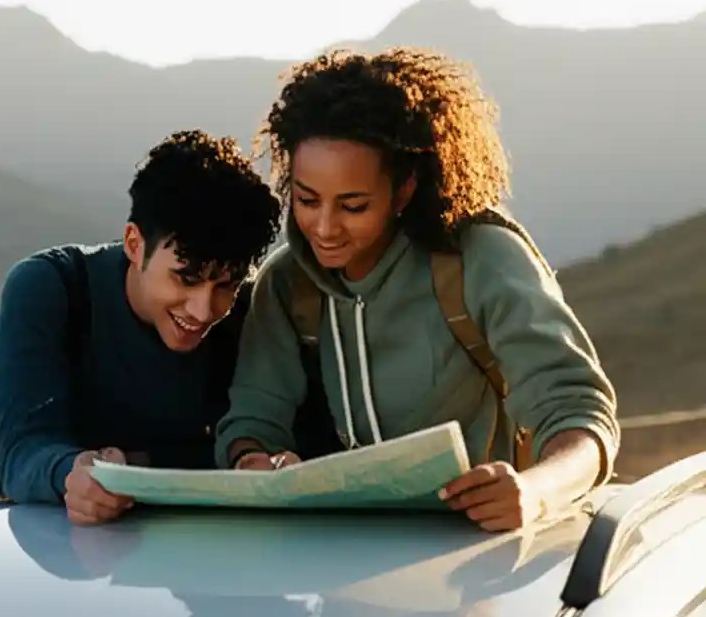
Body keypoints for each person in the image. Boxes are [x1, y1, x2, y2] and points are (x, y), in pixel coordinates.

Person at [215, 48, 621, 532]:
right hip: (348, 562)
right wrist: (252, 461)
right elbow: (252, 420)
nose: (323, 227)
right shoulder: (287, 282)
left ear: (405, 188)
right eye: (306, 199)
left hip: (483, 557)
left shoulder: (480, 257)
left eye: (353, 205)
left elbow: (581, 414)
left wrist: (535, 491)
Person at [0, 129, 332, 526]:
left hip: (199, 552)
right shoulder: (50, 289)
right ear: (134, 243)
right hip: (37, 549)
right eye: (186, 278)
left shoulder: (250, 313)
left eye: (226, 285)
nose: (203, 310)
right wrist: (70, 473)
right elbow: (21, 451)